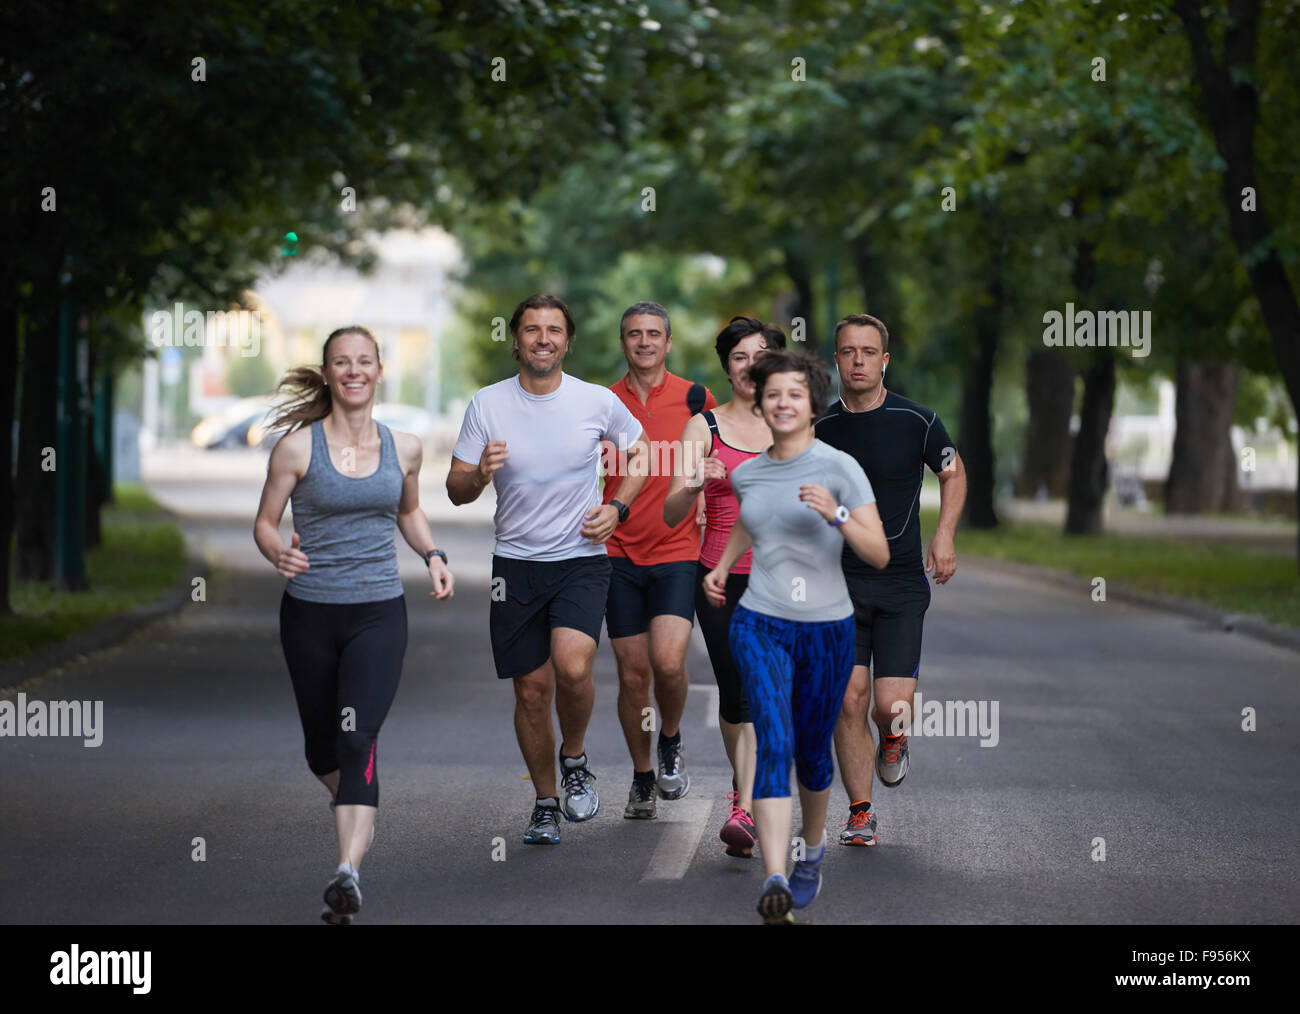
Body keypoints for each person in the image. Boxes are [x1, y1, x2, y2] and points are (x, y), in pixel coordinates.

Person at [254, 325, 454, 925]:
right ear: (329, 373)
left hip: (377, 612)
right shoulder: (296, 448)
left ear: (379, 370)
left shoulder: (406, 447)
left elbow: (409, 510)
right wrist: (277, 553)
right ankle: (355, 800)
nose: (353, 371)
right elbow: (266, 522)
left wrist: (434, 555)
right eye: (341, 362)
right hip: (310, 613)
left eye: (363, 361)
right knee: (323, 750)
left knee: (356, 739)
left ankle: (347, 872)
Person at [446, 294, 652, 844]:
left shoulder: (595, 403)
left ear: (568, 341)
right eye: (532, 329)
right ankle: (544, 802)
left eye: (554, 330)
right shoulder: (487, 405)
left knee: (573, 666)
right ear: (515, 340)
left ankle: (575, 755)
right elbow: (456, 489)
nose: (543, 338)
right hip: (513, 566)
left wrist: (618, 507)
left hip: (581, 560)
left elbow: (642, 451)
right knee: (531, 691)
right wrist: (480, 475)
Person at [703, 349, 889, 924]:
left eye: (794, 394)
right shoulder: (747, 472)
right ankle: (776, 876)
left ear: (812, 404)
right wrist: (721, 565)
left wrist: (836, 514)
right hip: (760, 621)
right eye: (773, 393)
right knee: (773, 741)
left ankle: (813, 852)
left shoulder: (839, 468)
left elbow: (878, 554)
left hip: (828, 630)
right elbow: (753, 524)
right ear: (760, 401)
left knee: (812, 755)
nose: (782, 402)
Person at [814, 314, 966, 847]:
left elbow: (953, 471)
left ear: (885, 360)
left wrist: (943, 535)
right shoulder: (819, 428)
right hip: (838, 587)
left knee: (888, 707)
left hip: (901, 583)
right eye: (848, 351)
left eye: (868, 351)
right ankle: (859, 812)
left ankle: (894, 738)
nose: (858, 360)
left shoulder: (917, 421)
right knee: (846, 700)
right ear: (836, 360)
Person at [663, 315, 785, 856]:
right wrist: (696, 482)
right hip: (719, 580)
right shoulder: (703, 428)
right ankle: (745, 794)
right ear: (727, 368)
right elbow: (671, 512)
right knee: (738, 695)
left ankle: (747, 801)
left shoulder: (794, 420)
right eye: (739, 357)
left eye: (760, 355)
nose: (749, 366)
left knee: (768, 692)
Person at [601, 301, 717, 819]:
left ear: (668, 343)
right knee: (632, 675)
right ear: (622, 342)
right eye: (633, 334)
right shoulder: (601, 404)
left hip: (677, 549)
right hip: (616, 552)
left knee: (668, 662)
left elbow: (724, 458)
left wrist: (710, 506)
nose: (644, 342)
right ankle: (643, 775)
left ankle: (670, 736)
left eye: (653, 334)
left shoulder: (697, 399)